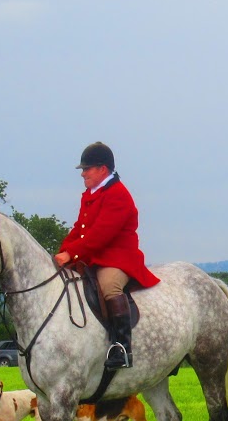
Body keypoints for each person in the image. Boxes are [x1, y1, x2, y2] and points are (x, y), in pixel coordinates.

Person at [54, 142, 159, 369]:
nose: (83, 174)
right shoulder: (91, 193)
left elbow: (101, 234)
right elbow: (80, 228)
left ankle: (122, 347)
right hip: (94, 255)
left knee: (109, 285)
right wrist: (63, 251)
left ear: (102, 169)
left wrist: (72, 253)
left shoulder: (118, 195)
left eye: (87, 169)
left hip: (118, 257)